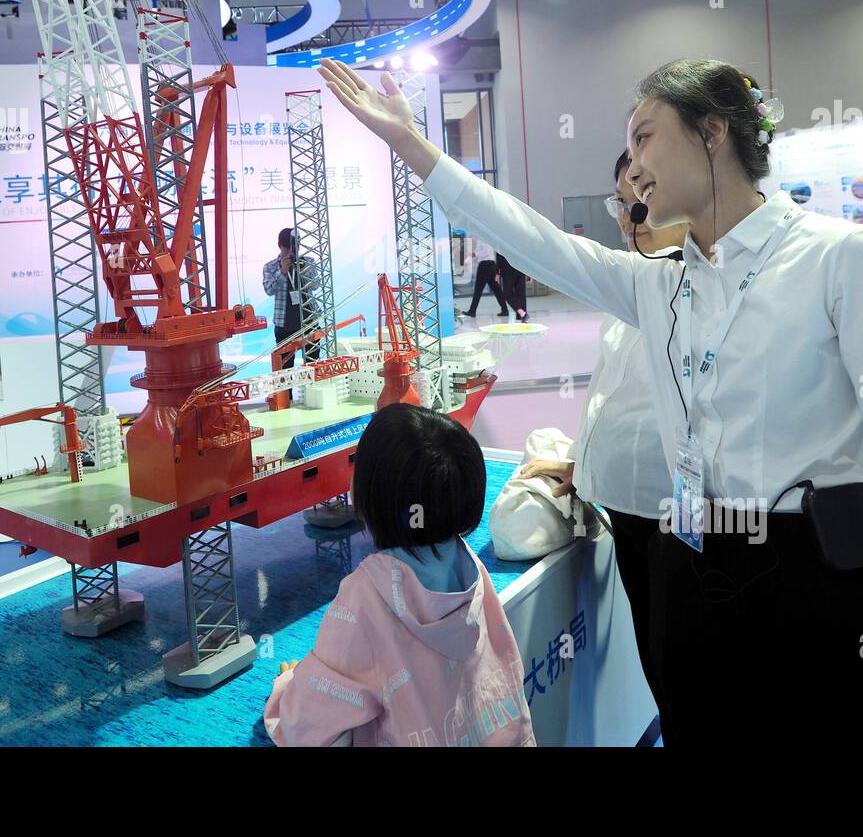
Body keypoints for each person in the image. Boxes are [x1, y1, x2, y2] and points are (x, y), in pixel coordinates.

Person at [316, 55, 863, 747]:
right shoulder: (659, 284)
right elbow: (534, 241)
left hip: (816, 585)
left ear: (712, 132)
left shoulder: (839, 259)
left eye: (645, 136)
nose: (633, 166)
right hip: (692, 574)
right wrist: (412, 145)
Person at [518, 150, 687, 740]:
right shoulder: (634, 288)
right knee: (664, 664)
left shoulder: (692, 288)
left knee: (688, 669)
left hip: (683, 521)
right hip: (633, 512)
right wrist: (579, 465)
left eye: (642, 195)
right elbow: (622, 404)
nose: (630, 214)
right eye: (623, 201)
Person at [264, 402, 535, 747]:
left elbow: (308, 724)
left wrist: (291, 685)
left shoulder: (368, 595)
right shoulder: (468, 565)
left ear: (372, 495)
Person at [261, 228, 320, 370]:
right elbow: (269, 290)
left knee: (313, 367)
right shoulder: (270, 267)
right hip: (284, 326)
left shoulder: (308, 261)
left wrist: (303, 269)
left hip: (309, 322)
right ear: (280, 246)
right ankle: (287, 393)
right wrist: (282, 272)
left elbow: (316, 285)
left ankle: (311, 392)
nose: (292, 251)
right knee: (285, 370)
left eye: (296, 247)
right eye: (288, 248)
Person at [460, 235, 508, 318]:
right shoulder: (485, 237)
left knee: (478, 289)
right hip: (491, 265)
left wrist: (474, 254)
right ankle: (505, 310)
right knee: (496, 289)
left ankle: (472, 311)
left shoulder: (483, 238)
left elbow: (485, 252)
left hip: (485, 266)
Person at [496, 252, 529, 322]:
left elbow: (499, 256)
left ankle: (522, 313)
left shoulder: (502, 242)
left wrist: (498, 273)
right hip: (520, 268)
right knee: (521, 293)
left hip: (508, 269)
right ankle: (522, 316)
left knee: (507, 294)